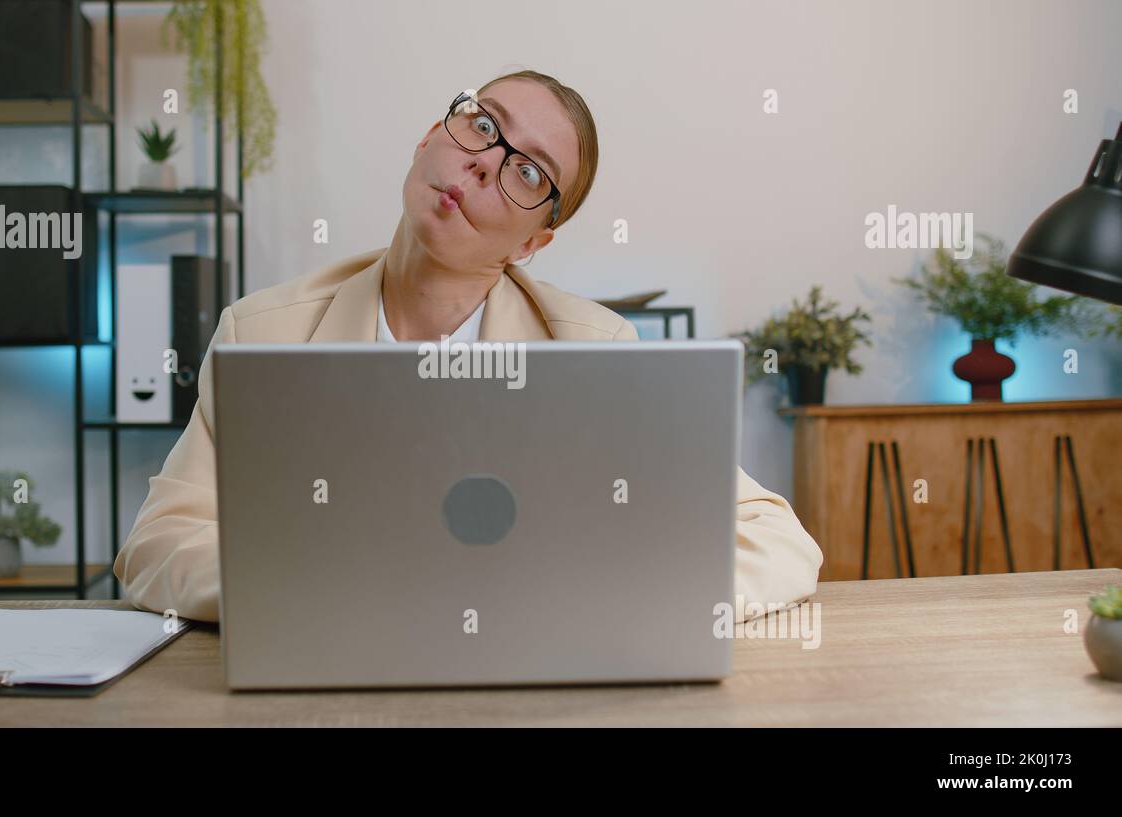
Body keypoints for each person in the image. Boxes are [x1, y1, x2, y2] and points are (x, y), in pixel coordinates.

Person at [113, 70, 823, 625]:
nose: (485, 162)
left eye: (529, 172)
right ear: (431, 136)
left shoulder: (594, 351)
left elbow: (777, 540)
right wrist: (309, 585)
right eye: (483, 126)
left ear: (534, 242)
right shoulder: (258, 333)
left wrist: (605, 596)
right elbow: (155, 546)